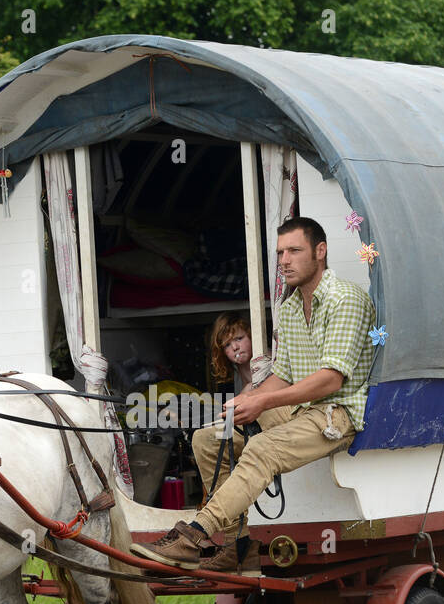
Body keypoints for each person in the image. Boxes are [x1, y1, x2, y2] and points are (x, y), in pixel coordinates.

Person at [133, 217, 377, 573]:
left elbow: (330, 380)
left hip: (337, 413)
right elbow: (284, 375)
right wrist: (247, 399)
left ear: (320, 252)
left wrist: (261, 401)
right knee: (209, 437)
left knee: (261, 447)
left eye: (294, 251)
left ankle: (193, 535)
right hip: (300, 409)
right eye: (280, 253)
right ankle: (238, 545)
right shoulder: (291, 307)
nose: (284, 261)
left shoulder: (345, 300)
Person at [208, 312, 255, 393]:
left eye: (239, 338)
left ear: (251, 335)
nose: (235, 347)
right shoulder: (238, 368)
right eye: (227, 345)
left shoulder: (267, 359)